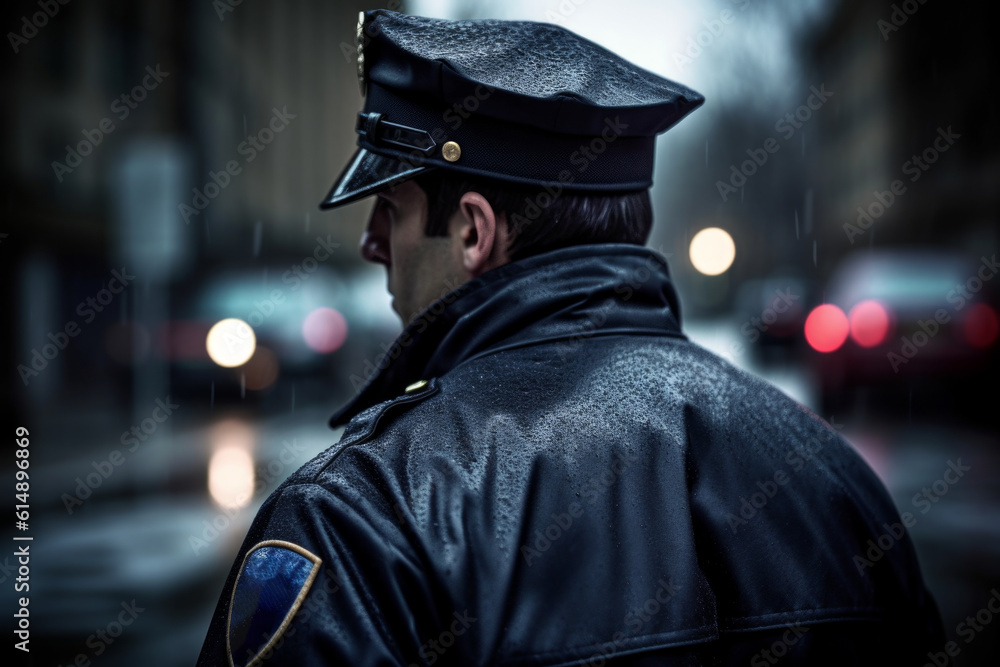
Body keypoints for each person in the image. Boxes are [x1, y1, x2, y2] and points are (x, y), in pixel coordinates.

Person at [197, 9, 944, 666]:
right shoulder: (832, 479)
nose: (370, 243)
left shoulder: (363, 512)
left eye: (389, 206)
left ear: (471, 231)